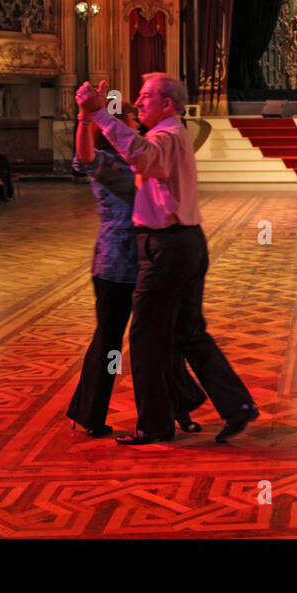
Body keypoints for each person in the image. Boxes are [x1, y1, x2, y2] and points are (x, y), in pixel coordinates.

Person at [78, 73, 259, 445]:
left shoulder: (165, 136)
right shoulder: (172, 134)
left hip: (165, 248)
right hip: (186, 242)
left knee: (145, 337)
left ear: (169, 104)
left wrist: (99, 115)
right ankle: (237, 405)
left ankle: (156, 424)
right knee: (188, 333)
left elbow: (144, 158)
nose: (138, 102)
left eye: (146, 97)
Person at [67, 102, 205, 438]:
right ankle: (91, 414)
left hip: (152, 258)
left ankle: (177, 410)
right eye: (128, 122)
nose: (135, 127)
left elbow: (193, 136)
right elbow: (84, 157)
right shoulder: (108, 164)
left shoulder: (146, 153)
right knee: (110, 341)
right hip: (115, 262)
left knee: (163, 338)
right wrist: (86, 118)